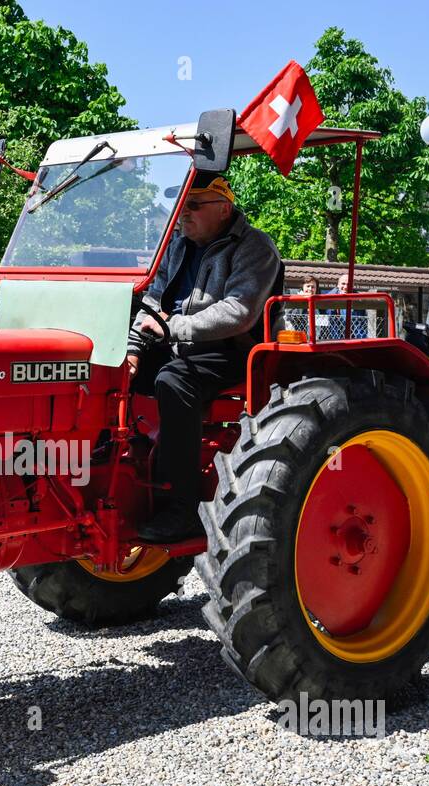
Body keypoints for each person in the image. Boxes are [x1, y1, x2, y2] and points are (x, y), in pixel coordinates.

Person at [126, 175, 283, 543]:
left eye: (194, 205)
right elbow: (151, 300)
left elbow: (238, 312)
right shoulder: (177, 245)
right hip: (177, 340)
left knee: (174, 380)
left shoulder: (254, 247)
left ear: (224, 208)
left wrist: (174, 328)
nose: (183, 214)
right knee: (109, 372)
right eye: (181, 205)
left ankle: (180, 507)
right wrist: (133, 350)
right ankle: (120, 475)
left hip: (234, 349)